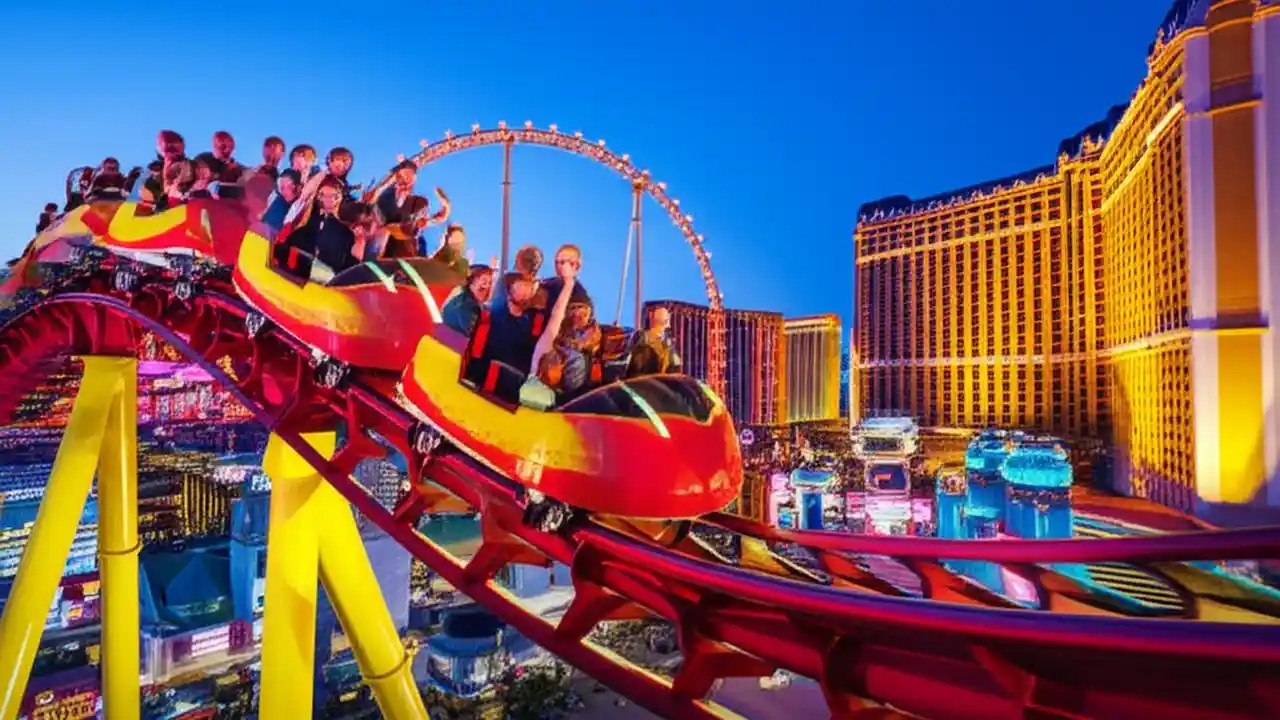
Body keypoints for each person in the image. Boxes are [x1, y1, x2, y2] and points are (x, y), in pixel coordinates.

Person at [274, 176, 359, 280]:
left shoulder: (346, 233)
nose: (328, 199)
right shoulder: (305, 225)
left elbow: (340, 268)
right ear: (318, 196)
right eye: (323, 195)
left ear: (340, 197)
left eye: (333, 196)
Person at [374, 160, 429, 258]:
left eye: (410, 175)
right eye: (402, 175)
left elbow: (420, 224)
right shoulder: (383, 198)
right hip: (385, 243)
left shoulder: (420, 202)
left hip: (408, 246)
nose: (406, 179)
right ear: (396, 177)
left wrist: (420, 225)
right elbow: (377, 218)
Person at [625, 306, 682, 377]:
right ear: (666, 322)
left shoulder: (639, 339)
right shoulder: (665, 344)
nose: (669, 326)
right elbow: (676, 367)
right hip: (655, 382)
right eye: (668, 321)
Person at [441, 264, 494, 336]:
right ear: (471, 282)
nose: (488, 287)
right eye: (484, 282)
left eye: (490, 283)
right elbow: (467, 340)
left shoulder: (459, 298)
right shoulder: (471, 307)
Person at [261, 169, 301, 236]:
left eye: (289, 187)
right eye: (282, 188)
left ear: (297, 187)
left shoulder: (298, 206)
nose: (284, 191)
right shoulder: (278, 201)